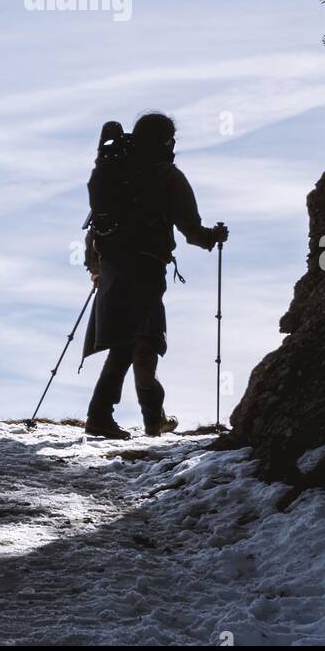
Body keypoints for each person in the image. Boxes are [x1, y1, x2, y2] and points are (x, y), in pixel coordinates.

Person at [82, 112, 228, 440]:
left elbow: (97, 222)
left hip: (111, 265)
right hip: (145, 267)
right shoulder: (166, 176)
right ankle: (116, 417)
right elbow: (190, 229)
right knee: (142, 339)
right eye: (171, 139)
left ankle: (131, 415)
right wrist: (212, 237)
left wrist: (95, 266)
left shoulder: (116, 170)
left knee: (126, 341)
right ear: (165, 141)